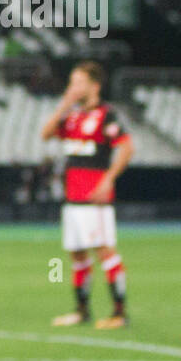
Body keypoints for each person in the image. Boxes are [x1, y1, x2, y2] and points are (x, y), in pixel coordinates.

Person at [41, 61, 134, 329]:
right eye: (72, 82)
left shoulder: (106, 115)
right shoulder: (71, 117)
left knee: (105, 251)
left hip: (96, 199)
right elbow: (46, 134)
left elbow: (127, 148)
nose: (73, 87)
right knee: (77, 254)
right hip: (73, 198)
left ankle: (119, 312)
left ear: (95, 85)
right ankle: (81, 310)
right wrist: (63, 105)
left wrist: (109, 178)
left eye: (79, 82)